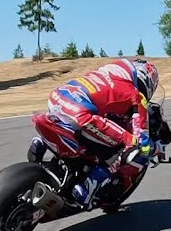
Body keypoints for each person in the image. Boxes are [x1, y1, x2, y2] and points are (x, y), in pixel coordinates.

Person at [32, 58, 161, 207]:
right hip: (80, 115)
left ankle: (41, 142)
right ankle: (89, 185)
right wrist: (151, 149)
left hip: (57, 98)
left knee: (94, 135)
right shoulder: (137, 96)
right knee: (132, 144)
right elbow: (142, 136)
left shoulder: (103, 75)